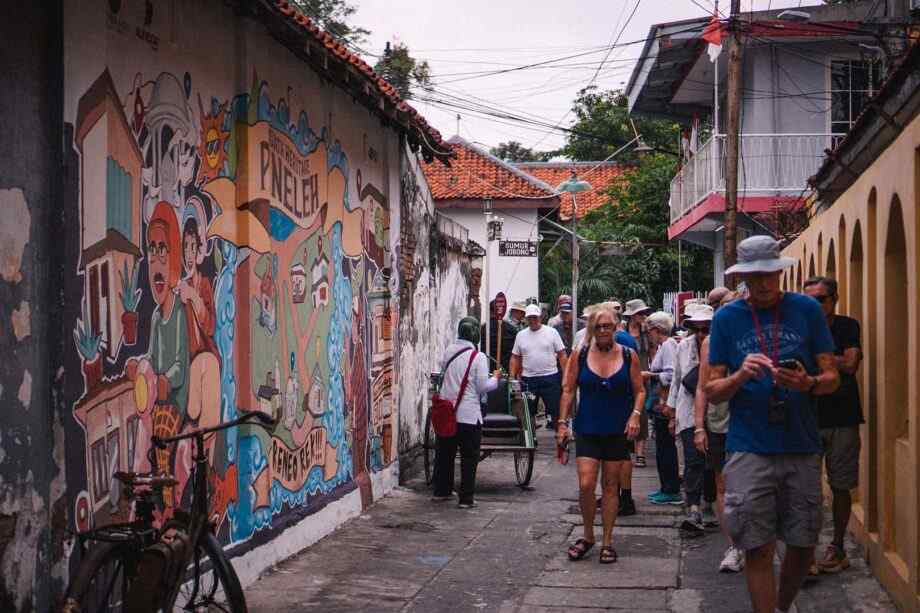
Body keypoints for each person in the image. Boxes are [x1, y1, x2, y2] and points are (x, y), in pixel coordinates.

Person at [705, 235, 839, 613]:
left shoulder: (806, 311)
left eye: (769, 274)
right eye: (753, 276)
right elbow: (712, 391)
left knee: (803, 543)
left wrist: (809, 383)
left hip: (801, 445)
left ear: (780, 272)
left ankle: (781, 605)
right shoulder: (727, 319)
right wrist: (740, 376)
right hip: (749, 448)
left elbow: (833, 377)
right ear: (743, 278)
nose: (762, 284)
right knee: (757, 546)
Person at [556, 304, 645, 564]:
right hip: (588, 427)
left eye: (608, 326)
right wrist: (562, 422)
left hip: (617, 430)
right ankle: (587, 535)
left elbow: (640, 390)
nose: (604, 330)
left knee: (610, 486)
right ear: (592, 329)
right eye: (599, 326)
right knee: (585, 484)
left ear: (616, 327)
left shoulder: (628, 355)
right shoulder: (580, 354)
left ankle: (607, 540)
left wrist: (636, 415)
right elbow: (568, 389)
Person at [804, 276, 862, 575]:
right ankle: (807, 553)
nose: (815, 306)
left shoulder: (847, 326)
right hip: (808, 418)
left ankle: (837, 547)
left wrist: (818, 361)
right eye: (809, 300)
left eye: (821, 299)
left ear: (834, 300)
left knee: (841, 486)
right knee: (806, 490)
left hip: (843, 417)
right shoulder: (800, 329)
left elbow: (852, 364)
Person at [693, 291, 745, 573]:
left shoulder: (754, 338)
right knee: (722, 485)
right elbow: (702, 386)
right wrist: (699, 426)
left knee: (748, 485)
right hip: (719, 422)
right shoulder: (711, 342)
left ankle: (752, 541)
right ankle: (735, 545)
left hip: (749, 422)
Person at [433, 317, 501, 509]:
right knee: (469, 458)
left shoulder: (448, 352)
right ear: (475, 335)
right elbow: (481, 387)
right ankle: (466, 498)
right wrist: (495, 379)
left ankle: (442, 491)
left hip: (448, 413)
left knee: (445, 454)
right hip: (469, 415)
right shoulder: (477, 357)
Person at [666, 303, 713, 533]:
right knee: (693, 460)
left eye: (707, 329)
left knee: (713, 463)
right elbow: (676, 378)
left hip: (715, 412)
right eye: (698, 329)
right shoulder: (683, 347)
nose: (702, 334)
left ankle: (711, 502)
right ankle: (693, 506)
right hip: (687, 410)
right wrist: (672, 412)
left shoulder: (719, 347)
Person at [643, 311, 682, 506]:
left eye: (649, 331)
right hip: (659, 403)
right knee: (662, 447)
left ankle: (671, 488)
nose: (648, 335)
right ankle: (665, 486)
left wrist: (649, 374)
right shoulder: (663, 347)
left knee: (666, 448)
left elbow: (670, 375)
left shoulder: (668, 346)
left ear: (656, 330)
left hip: (664, 403)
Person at [510, 304, 567, 429]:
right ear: (526, 319)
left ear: (540, 317)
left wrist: (566, 376)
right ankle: (530, 442)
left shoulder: (552, 332)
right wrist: (512, 377)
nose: (532, 320)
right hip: (529, 381)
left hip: (550, 378)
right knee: (528, 412)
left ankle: (561, 440)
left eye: (535, 317)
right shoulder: (521, 335)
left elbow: (562, 354)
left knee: (556, 411)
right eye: (530, 318)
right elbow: (515, 357)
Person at [623, 299, 654, 469]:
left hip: (643, 374)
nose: (643, 316)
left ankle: (640, 452)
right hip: (625, 374)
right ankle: (626, 447)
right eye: (640, 314)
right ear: (632, 316)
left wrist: (653, 371)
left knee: (641, 413)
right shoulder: (622, 331)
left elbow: (652, 352)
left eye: (644, 313)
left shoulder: (646, 332)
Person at [480, 298, 517, 372]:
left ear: (489, 311)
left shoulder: (482, 329)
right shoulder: (512, 329)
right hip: (506, 371)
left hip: (486, 370)